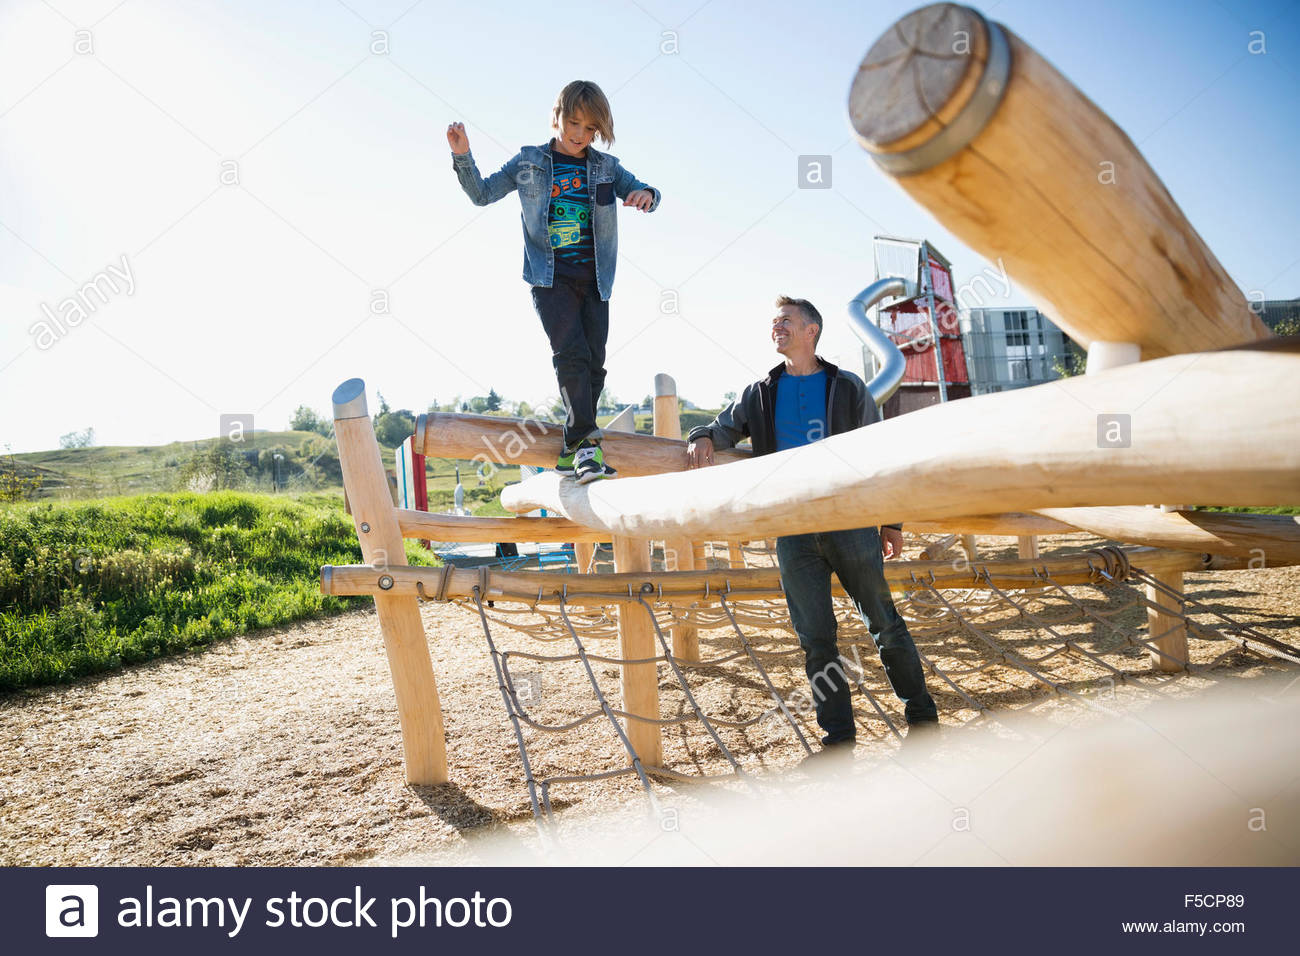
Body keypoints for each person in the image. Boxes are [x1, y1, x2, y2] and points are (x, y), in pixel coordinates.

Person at [686, 295, 939, 750]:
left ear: (811, 331)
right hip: (794, 532)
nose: (776, 329)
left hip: (850, 524)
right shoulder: (761, 391)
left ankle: (923, 721)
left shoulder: (847, 387)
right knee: (817, 641)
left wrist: (892, 521)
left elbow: (877, 453)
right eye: (773, 323)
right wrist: (701, 434)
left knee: (884, 624)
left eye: (785, 321)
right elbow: (723, 428)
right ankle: (838, 739)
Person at [447, 80, 660, 484]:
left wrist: (646, 195)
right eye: (574, 123)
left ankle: (570, 450)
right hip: (550, 279)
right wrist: (463, 156)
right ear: (558, 116)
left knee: (595, 363)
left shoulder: (606, 168)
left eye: (590, 129)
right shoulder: (529, 161)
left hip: (596, 279)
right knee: (572, 353)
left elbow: (642, 187)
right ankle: (586, 447)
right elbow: (482, 193)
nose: (579, 135)